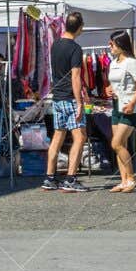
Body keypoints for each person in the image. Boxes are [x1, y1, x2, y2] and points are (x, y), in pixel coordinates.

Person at [44, 11, 90, 192]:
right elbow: (76, 76)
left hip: (57, 98)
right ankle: (71, 178)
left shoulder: (55, 45)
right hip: (70, 98)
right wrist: (80, 102)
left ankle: (50, 177)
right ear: (79, 27)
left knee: (58, 136)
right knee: (80, 137)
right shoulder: (75, 48)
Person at [106, 32, 136, 193]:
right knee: (119, 145)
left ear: (121, 45)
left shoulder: (131, 62)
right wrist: (109, 89)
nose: (110, 47)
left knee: (116, 143)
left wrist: (133, 102)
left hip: (129, 107)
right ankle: (123, 180)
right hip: (116, 105)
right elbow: (112, 83)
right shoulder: (113, 63)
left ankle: (131, 178)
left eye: (112, 44)